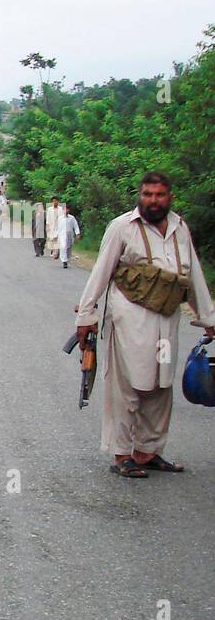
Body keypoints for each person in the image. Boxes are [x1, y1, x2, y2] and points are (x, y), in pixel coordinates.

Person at [74, 171, 215, 477]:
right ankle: (122, 453)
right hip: (129, 320)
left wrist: (208, 318)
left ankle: (147, 452)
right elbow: (101, 272)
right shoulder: (122, 227)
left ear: (169, 197)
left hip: (167, 319)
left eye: (159, 195)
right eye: (148, 194)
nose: (153, 200)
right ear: (140, 196)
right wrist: (86, 315)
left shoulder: (179, 228)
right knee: (127, 386)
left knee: (160, 385)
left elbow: (193, 276)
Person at [57, 203, 81, 268]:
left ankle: (67, 259)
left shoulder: (72, 218)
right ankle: (64, 261)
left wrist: (77, 233)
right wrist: (55, 235)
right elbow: (57, 227)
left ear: (69, 210)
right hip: (62, 235)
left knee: (68, 248)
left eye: (67, 209)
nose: (66, 210)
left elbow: (75, 226)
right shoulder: (60, 218)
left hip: (70, 235)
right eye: (65, 209)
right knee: (63, 247)